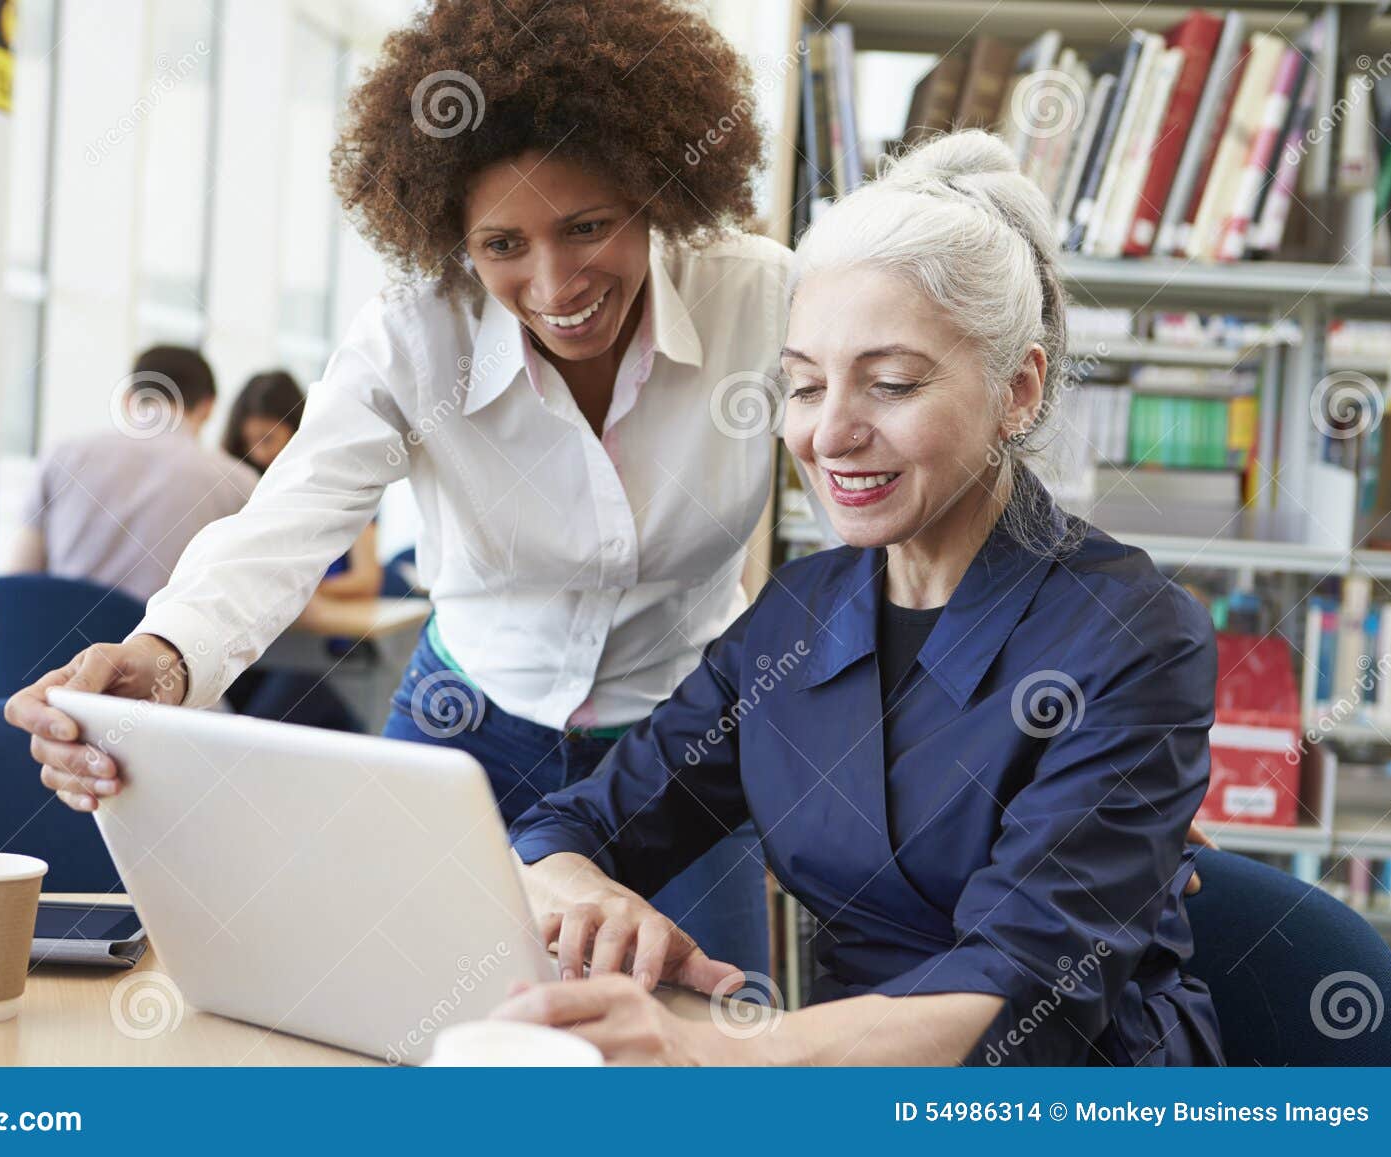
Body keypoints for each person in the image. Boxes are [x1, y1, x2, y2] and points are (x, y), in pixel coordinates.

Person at [3, 0, 791, 974]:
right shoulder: (416, 335)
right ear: (453, 231)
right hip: (468, 739)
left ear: (659, 189)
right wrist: (165, 655)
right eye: (503, 244)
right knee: (404, 1021)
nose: (554, 283)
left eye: (589, 225)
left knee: (707, 1050)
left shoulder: (768, 302)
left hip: (685, 748)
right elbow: (283, 524)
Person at [491, 130, 1225, 1066]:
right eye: (802, 385)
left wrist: (711, 1054)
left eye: (890, 384)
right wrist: (583, 891)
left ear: (1018, 390)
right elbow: (579, 819)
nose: (829, 433)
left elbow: (1021, 991)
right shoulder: (797, 614)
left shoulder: (1132, 634)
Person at [6, 345, 257, 603]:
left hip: (56, 639)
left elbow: (20, 582)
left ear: (129, 399)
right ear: (207, 408)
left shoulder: (63, 456)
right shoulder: (238, 482)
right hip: (159, 641)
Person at [221, 369, 382, 600]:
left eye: (267, 439)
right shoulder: (244, 486)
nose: (257, 453)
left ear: (296, 431)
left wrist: (286, 593)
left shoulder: (342, 485)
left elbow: (367, 580)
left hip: (331, 624)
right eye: (248, 441)